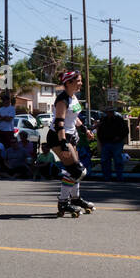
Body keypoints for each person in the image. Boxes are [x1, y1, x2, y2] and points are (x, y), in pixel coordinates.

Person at [48, 71, 93, 217]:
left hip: (70, 136)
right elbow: (59, 123)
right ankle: (63, 202)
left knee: (74, 170)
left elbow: (74, 117)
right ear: (68, 83)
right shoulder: (62, 100)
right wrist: (63, 145)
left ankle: (75, 198)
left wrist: (84, 129)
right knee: (78, 171)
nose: (81, 83)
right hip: (59, 137)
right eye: (78, 81)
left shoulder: (73, 97)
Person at [96, 108, 128, 180]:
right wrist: (102, 140)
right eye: (107, 112)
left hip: (117, 143)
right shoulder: (103, 120)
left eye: (110, 112)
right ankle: (107, 176)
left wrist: (119, 137)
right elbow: (100, 131)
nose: (108, 113)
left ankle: (119, 176)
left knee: (118, 160)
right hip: (106, 143)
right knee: (105, 161)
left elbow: (125, 130)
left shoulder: (119, 120)